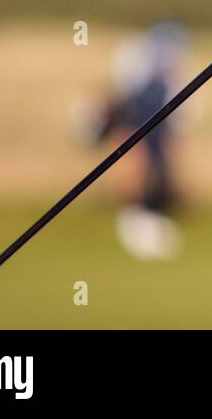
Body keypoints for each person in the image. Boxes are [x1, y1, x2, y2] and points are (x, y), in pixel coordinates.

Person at [79, 21, 189, 260]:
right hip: (133, 115)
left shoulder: (169, 67)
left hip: (158, 115)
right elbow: (118, 93)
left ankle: (148, 217)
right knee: (134, 165)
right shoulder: (132, 56)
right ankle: (131, 220)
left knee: (159, 168)